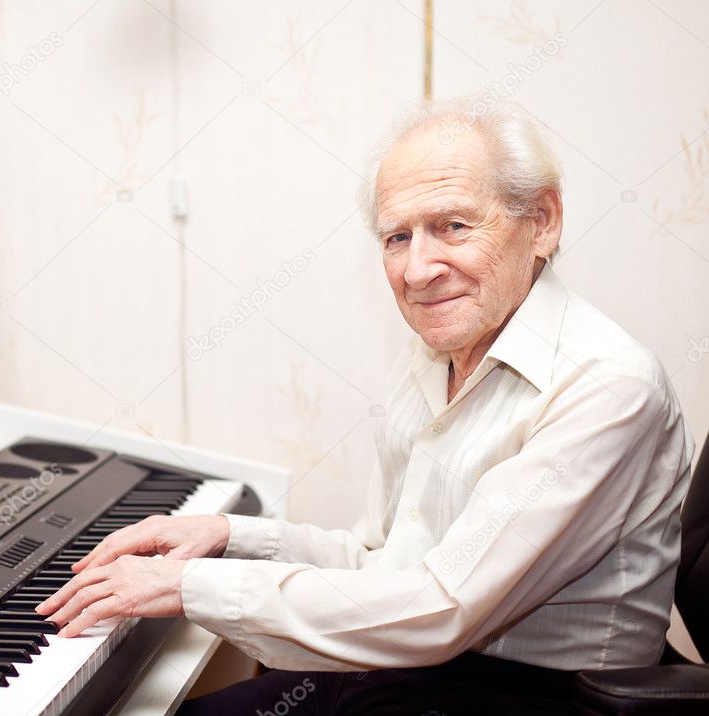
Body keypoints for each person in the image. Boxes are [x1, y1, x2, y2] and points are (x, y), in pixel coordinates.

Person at [36, 96, 694, 714]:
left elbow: (442, 607)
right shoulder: (440, 347)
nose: (416, 269)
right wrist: (229, 539)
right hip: (423, 662)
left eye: (451, 226)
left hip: (535, 695)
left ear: (541, 221)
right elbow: (382, 559)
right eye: (396, 238)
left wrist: (186, 587)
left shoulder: (605, 384)